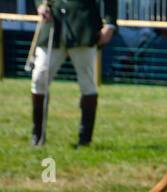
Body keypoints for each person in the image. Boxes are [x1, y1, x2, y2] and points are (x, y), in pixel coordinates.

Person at [30, 0, 116, 148]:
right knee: (39, 78)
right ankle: (37, 135)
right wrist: (41, 6)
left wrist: (110, 24)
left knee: (87, 84)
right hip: (53, 26)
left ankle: (85, 139)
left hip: (83, 28)